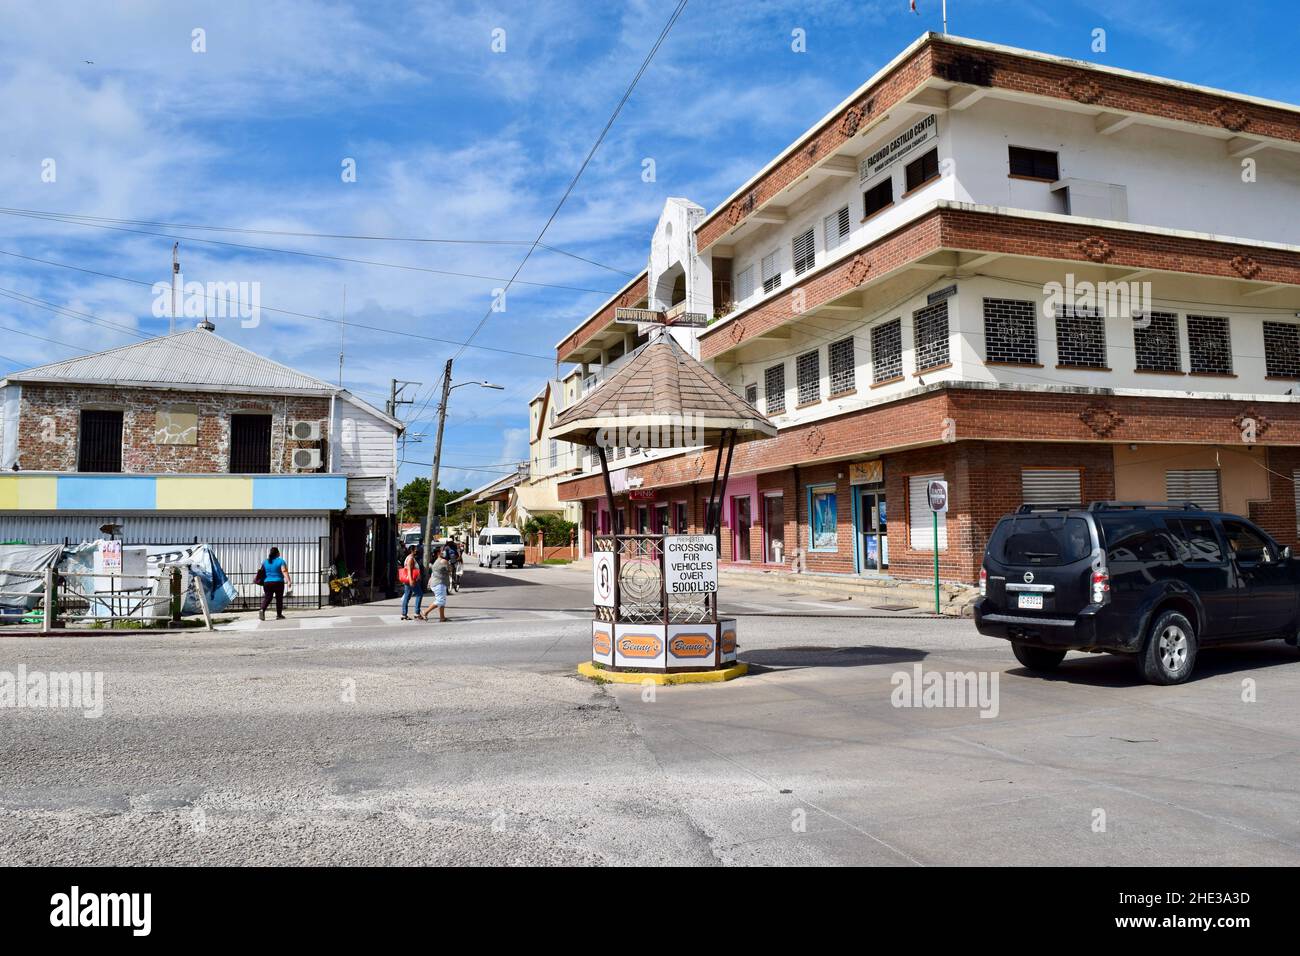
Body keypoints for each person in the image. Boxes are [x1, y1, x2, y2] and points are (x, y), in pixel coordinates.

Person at [259, 547, 291, 621]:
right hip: (278, 582)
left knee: (268, 597)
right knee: (279, 598)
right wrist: (288, 580)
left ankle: (262, 609)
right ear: (277, 553)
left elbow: (261, 571)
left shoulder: (265, 562)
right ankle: (279, 615)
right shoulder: (281, 561)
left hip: (267, 582)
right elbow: (284, 571)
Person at [419, 552, 451, 622]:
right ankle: (425, 612)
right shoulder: (443, 561)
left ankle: (442, 617)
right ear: (438, 553)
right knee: (440, 600)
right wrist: (449, 564)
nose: (444, 552)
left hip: (436, 583)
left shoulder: (435, 562)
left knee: (442, 600)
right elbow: (450, 570)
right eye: (442, 551)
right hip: (439, 583)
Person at [400, 545, 423, 620]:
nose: (416, 551)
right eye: (415, 549)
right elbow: (409, 570)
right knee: (419, 594)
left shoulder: (410, 558)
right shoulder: (410, 559)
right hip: (412, 580)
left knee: (407, 595)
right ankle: (417, 612)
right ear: (412, 551)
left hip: (410, 580)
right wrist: (411, 580)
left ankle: (404, 614)